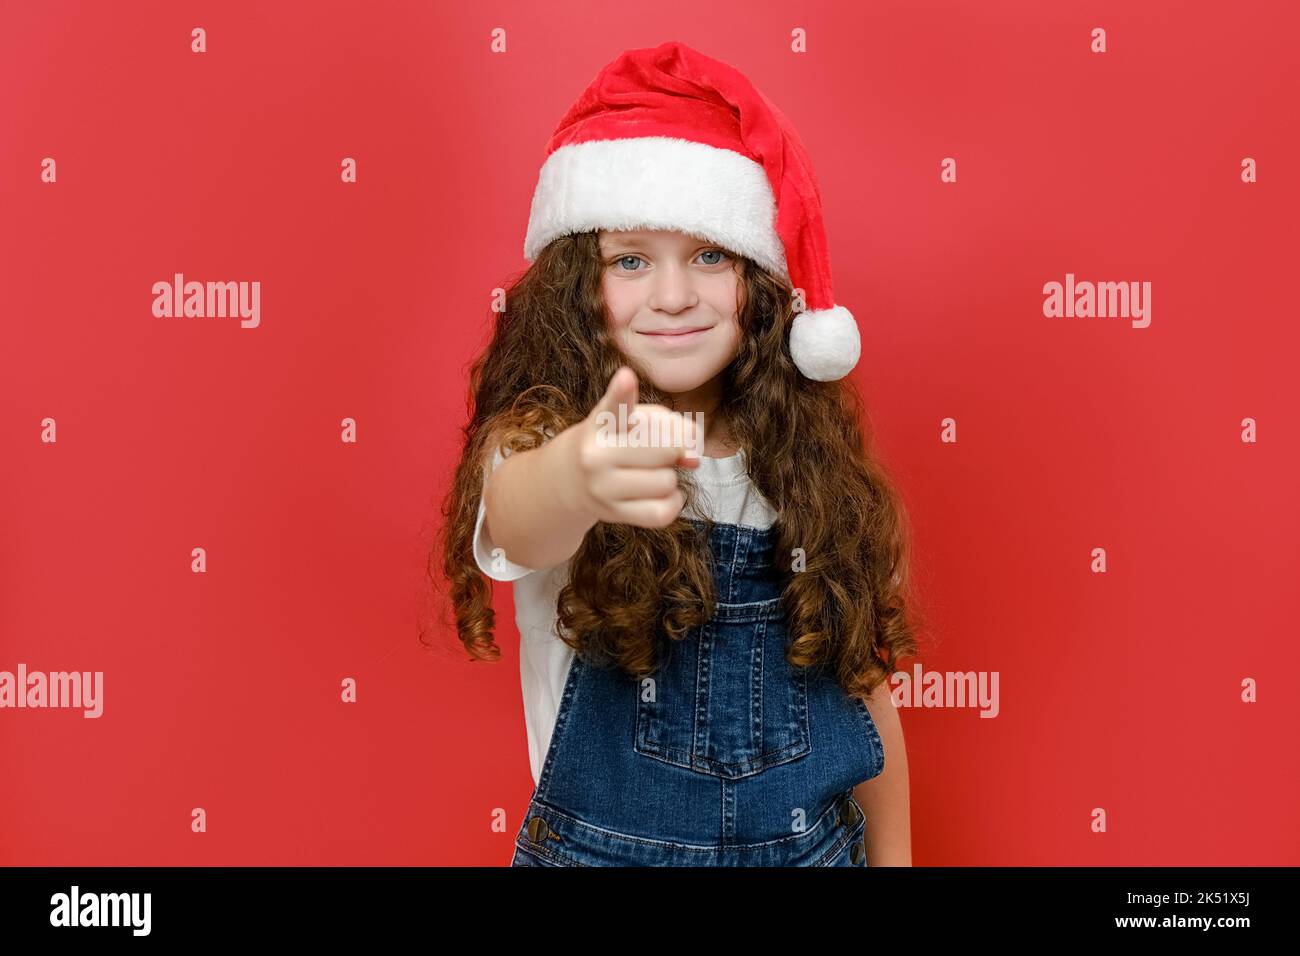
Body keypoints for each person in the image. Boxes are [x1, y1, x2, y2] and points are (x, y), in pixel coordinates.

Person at [439, 40, 918, 866]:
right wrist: (579, 479)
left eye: (707, 255)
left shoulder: (800, 462)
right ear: (576, 292)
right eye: (629, 261)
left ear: (760, 284)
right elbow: (521, 524)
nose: (671, 295)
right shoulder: (547, 440)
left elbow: (858, 692)